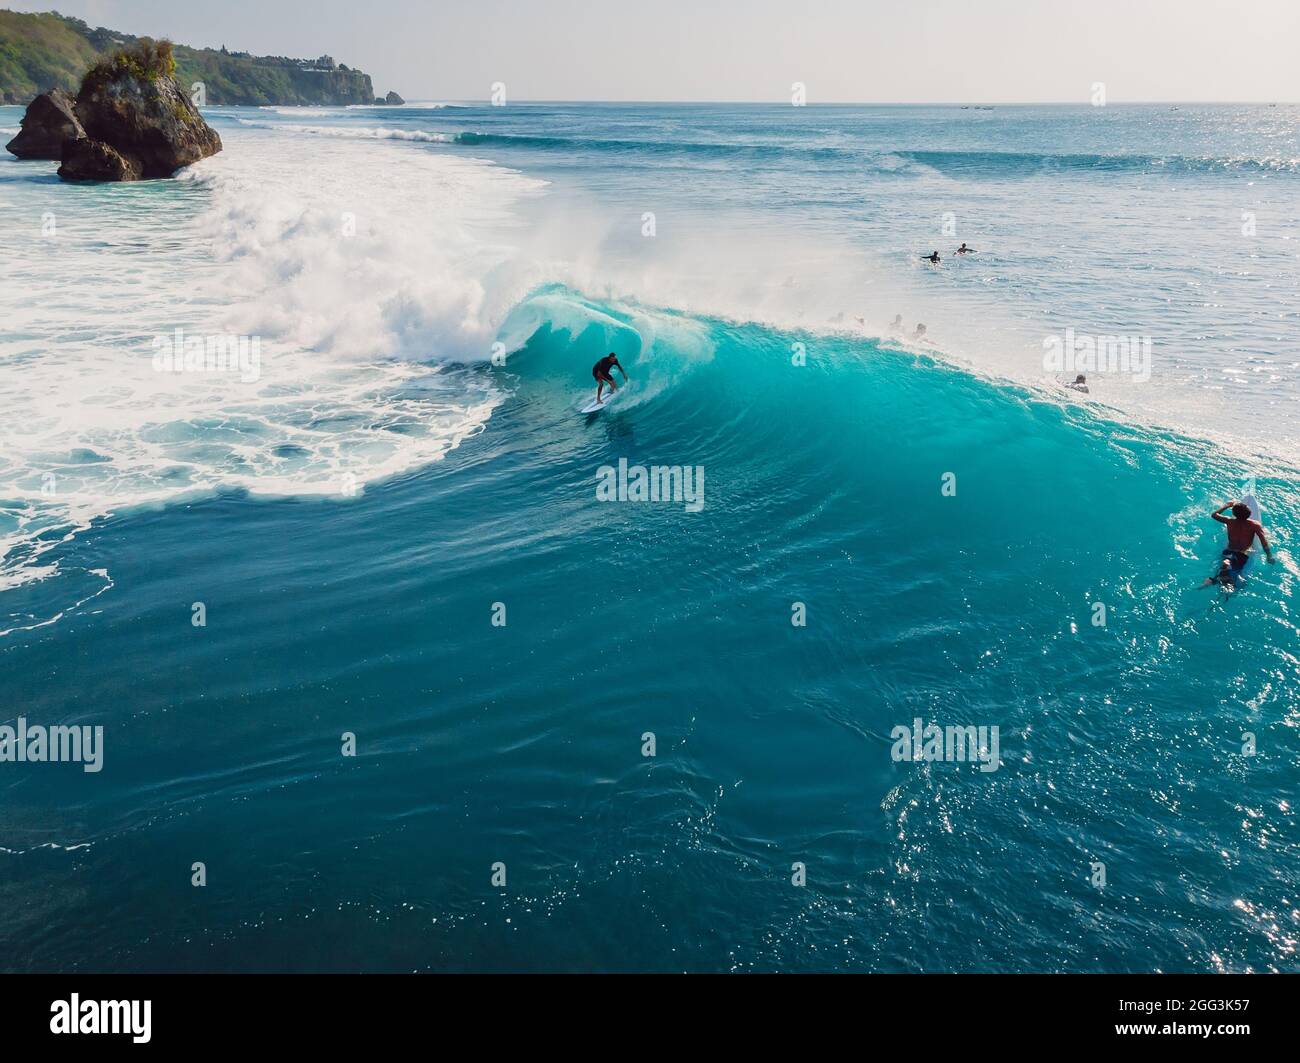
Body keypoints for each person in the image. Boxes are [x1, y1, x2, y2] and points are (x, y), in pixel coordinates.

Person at [1201, 500, 1275, 590]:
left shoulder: (1229, 521)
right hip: (1242, 554)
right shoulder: (1255, 525)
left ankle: (1212, 580)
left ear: (1234, 514)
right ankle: (1227, 582)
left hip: (1228, 551)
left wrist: (1227, 505)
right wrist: (1269, 555)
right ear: (1249, 514)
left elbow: (1214, 515)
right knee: (1234, 576)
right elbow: (1264, 542)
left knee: (1222, 570)